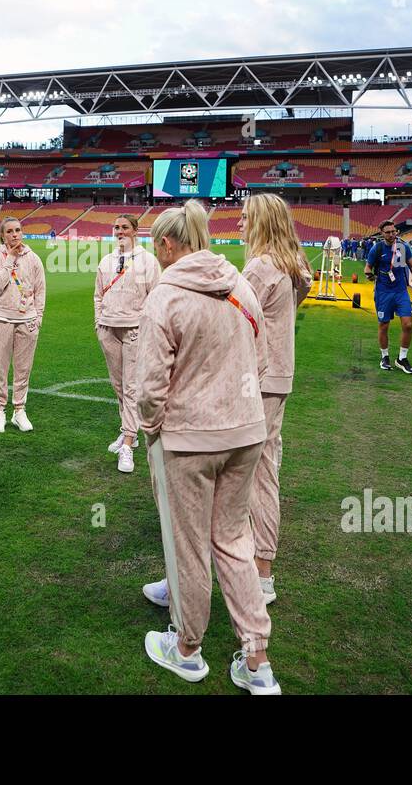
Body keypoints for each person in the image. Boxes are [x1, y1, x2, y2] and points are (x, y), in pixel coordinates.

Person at [137, 200, 280, 695]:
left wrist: (150, 427)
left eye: (156, 244)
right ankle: (257, 660)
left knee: (189, 544)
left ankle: (187, 649)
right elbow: (260, 361)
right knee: (234, 540)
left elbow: (151, 385)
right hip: (245, 432)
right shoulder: (241, 284)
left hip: (189, 439)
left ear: (169, 244)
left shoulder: (165, 295)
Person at [239, 194, 311, 607]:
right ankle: (254, 564)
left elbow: (233, 323)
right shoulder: (292, 265)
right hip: (277, 377)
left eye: (246, 218)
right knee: (263, 466)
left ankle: (260, 573)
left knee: (254, 473)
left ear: (262, 223)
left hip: (258, 379)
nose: (239, 224)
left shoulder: (261, 267)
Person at [94, 213, 161, 474]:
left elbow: (155, 297)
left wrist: (146, 327)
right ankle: (127, 430)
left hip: (134, 330)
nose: (119, 231)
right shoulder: (106, 260)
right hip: (108, 328)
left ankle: (129, 444)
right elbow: (98, 294)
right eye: (116, 227)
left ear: (135, 231)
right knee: (120, 386)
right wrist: (98, 322)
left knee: (132, 387)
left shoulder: (148, 261)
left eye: (125, 227)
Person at [0, 217, 46, 433]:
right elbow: (0, 282)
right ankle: (0, 411)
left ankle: (19, 410)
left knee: (23, 370)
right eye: (10, 231)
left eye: (18, 230)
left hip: (27, 320)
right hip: (1, 317)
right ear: (2, 235)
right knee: (0, 368)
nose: (15, 234)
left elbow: (40, 290)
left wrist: (37, 318)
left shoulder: (33, 258)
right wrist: (11, 256)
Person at [364, 219, 412, 374]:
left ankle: (402, 358)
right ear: (382, 233)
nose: (392, 234)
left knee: (408, 325)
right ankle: (385, 357)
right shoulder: (377, 248)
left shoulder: (403, 246)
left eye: (394, 231)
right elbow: (368, 266)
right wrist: (368, 274)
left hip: (401, 291)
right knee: (384, 325)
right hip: (383, 292)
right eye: (388, 232)